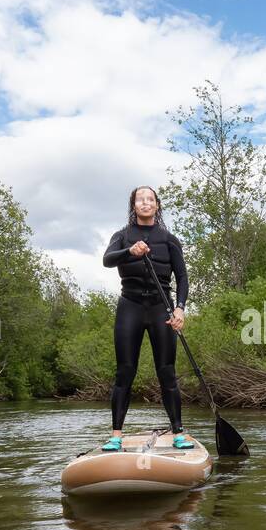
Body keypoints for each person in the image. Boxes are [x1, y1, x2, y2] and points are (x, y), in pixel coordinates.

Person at [100, 186, 193, 451]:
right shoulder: (122, 236)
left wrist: (180, 308)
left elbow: (182, 277)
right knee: (125, 372)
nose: (145, 202)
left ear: (157, 205)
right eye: (140, 199)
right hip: (130, 306)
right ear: (133, 205)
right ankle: (116, 435)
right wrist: (130, 251)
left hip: (160, 308)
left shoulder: (169, 239)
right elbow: (107, 260)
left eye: (150, 199)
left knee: (167, 372)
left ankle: (178, 433)